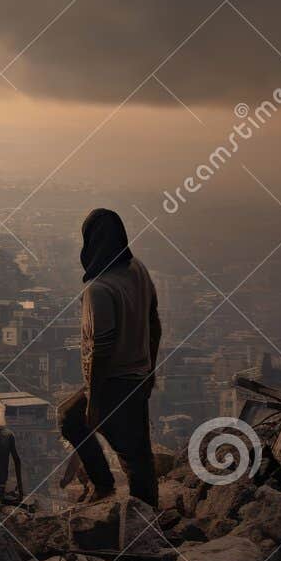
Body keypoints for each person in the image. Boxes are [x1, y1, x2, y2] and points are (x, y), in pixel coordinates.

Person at [57, 208, 161, 506]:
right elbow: (154, 322)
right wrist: (150, 368)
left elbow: (100, 350)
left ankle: (115, 494)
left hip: (114, 382)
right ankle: (138, 507)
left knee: (78, 423)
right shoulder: (137, 269)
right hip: (137, 375)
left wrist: (94, 398)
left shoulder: (98, 289)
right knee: (136, 453)